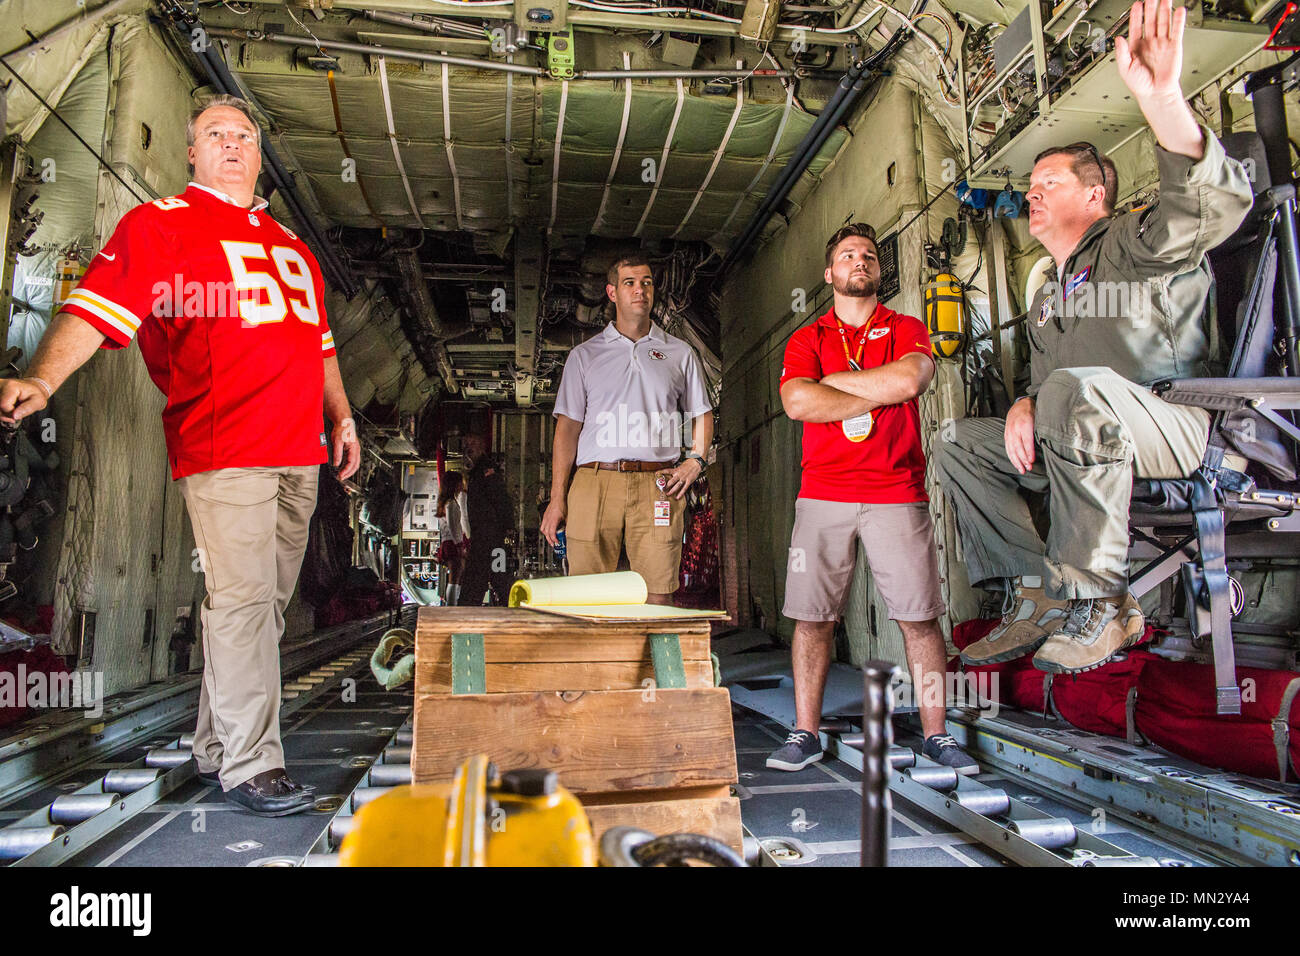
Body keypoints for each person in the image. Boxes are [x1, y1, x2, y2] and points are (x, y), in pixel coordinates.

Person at [0, 94, 360, 816]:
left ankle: (216, 747)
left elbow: (318, 344)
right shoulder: (162, 228)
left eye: (245, 136)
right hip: (226, 444)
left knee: (264, 605)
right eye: (215, 135)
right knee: (243, 601)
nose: (232, 144)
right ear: (190, 154)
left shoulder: (293, 248)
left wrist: (344, 418)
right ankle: (254, 763)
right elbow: (95, 308)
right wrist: (42, 377)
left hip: (300, 450)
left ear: (260, 156)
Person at [934, 0, 1254, 675]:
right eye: (1031, 185)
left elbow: (1211, 206)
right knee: (957, 441)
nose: (1033, 195)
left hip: (1178, 422)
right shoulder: (1049, 291)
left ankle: (1101, 599)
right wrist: (1023, 403)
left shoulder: (1132, 242)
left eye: (1050, 182)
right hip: (1080, 431)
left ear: (1097, 195)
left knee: (1076, 391)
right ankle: (1037, 597)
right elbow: (1045, 382)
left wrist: (1161, 96)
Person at [767, 223, 977, 775]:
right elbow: (795, 402)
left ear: (879, 270)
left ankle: (938, 736)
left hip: (896, 492)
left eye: (867, 255)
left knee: (920, 617)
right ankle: (804, 732)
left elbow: (909, 381)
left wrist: (833, 384)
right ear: (829, 273)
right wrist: (864, 388)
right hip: (822, 497)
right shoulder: (806, 338)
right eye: (846, 255)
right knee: (812, 619)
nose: (858, 261)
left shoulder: (906, 326)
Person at [540, 254, 714, 604]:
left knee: (658, 592)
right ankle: (595, 661)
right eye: (630, 283)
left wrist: (694, 462)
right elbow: (568, 429)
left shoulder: (679, 353)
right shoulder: (584, 356)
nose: (640, 290)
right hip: (594, 480)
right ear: (612, 293)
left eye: (647, 282)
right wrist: (557, 495)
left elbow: (702, 413)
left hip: (658, 483)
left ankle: (648, 660)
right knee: (586, 595)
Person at [460, 433, 514, 606]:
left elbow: (500, 498)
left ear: (482, 447)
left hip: (487, 536)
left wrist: (506, 525)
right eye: (467, 444)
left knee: (478, 578)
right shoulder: (478, 472)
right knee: (499, 575)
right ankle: (510, 606)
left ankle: (465, 612)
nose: (469, 447)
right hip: (490, 537)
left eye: (473, 443)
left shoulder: (485, 470)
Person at [435, 471, 467, 605]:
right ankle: (451, 605)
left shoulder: (445, 503)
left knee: (455, 577)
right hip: (453, 544)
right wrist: (460, 545)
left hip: (449, 542)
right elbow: (454, 526)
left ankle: (452, 604)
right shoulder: (452, 504)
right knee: (455, 577)